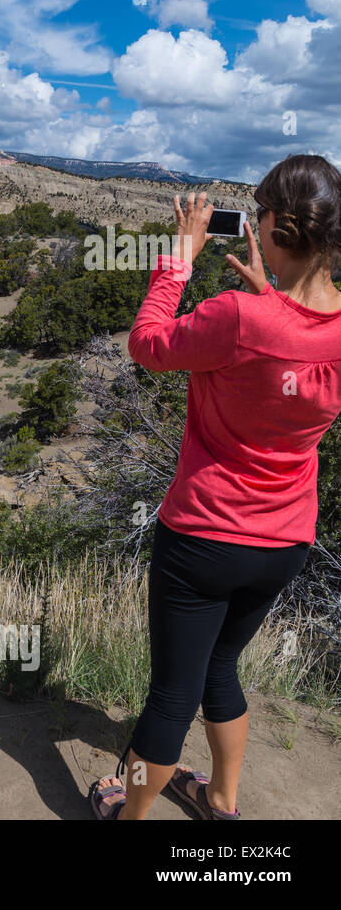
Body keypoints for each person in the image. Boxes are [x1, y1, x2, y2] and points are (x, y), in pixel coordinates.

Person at [90, 155, 341, 819]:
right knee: (220, 670)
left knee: (171, 693)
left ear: (274, 227)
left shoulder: (236, 316)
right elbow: (295, 350)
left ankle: (130, 813)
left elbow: (149, 344)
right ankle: (221, 798)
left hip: (205, 533)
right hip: (284, 541)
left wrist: (177, 259)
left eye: (259, 211)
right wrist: (275, 298)